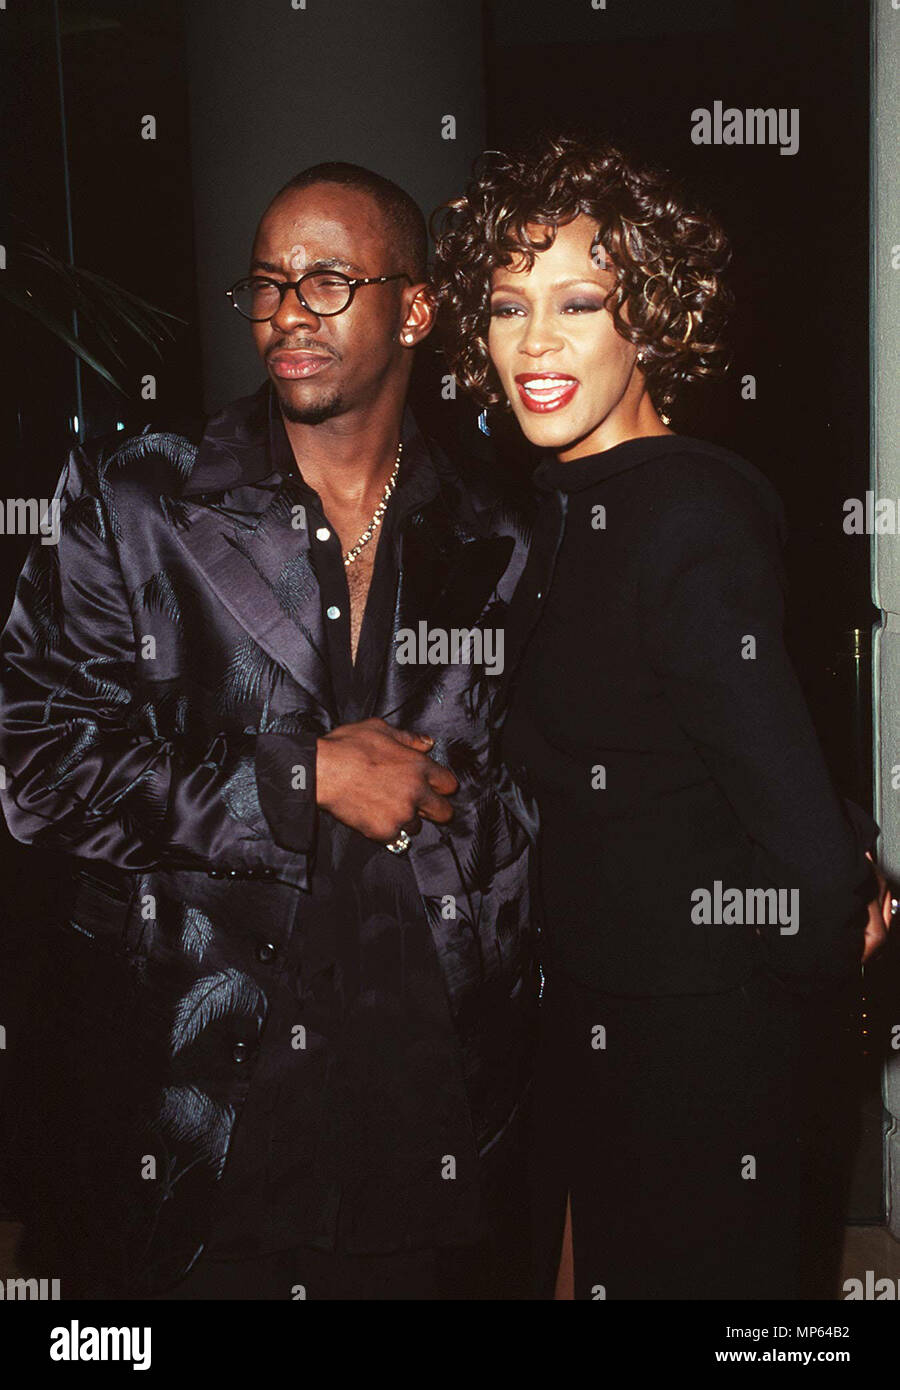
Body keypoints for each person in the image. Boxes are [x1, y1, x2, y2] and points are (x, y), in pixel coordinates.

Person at [0, 162, 539, 1300]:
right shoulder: (141, 500)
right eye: (267, 283)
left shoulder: (498, 529)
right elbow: (38, 763)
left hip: (424, 1095)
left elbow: (557, 773)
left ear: (417, 309)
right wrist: (299, 777)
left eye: (329, 280)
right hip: (204, 1103)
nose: (287, 309)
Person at [431, 132, 890, 1300]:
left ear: (651, 320)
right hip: (590, 1014)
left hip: (698, 1040)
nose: (534, 341)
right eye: (506, 305)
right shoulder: (563, 502)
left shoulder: (685, 510)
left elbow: (801, 848)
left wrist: (789, 1003)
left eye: (579, 301)